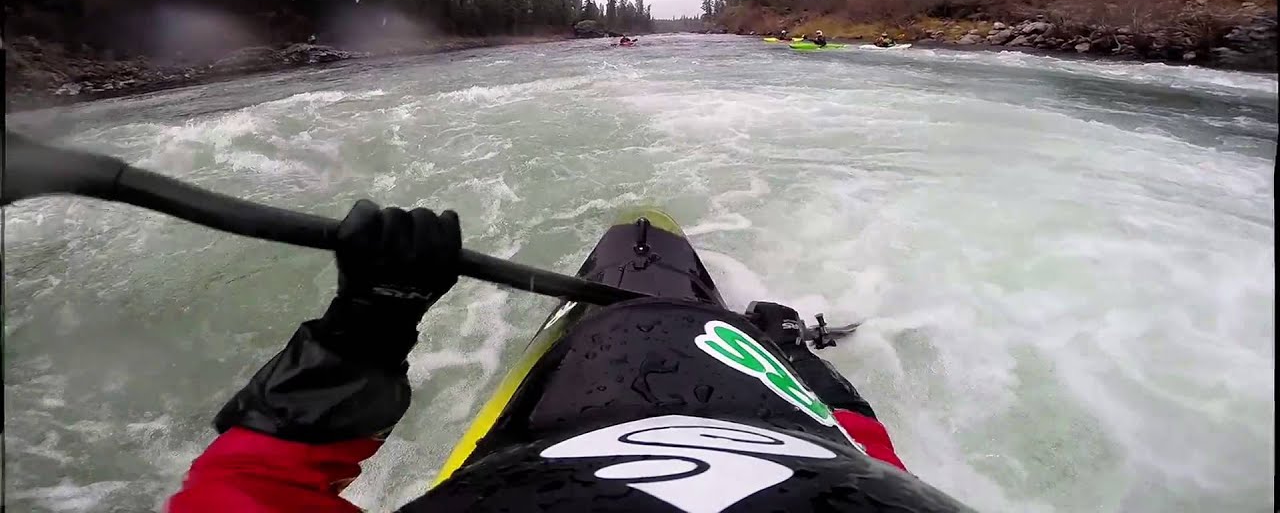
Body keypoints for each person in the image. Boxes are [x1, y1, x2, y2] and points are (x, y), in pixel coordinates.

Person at [167, 201, 975, 512]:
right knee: (800, 365)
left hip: (554, 439)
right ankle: (782, 340)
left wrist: (366, 327)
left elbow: (239, 491)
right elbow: (870, 454)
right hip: (827, 452)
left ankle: (781, 342)